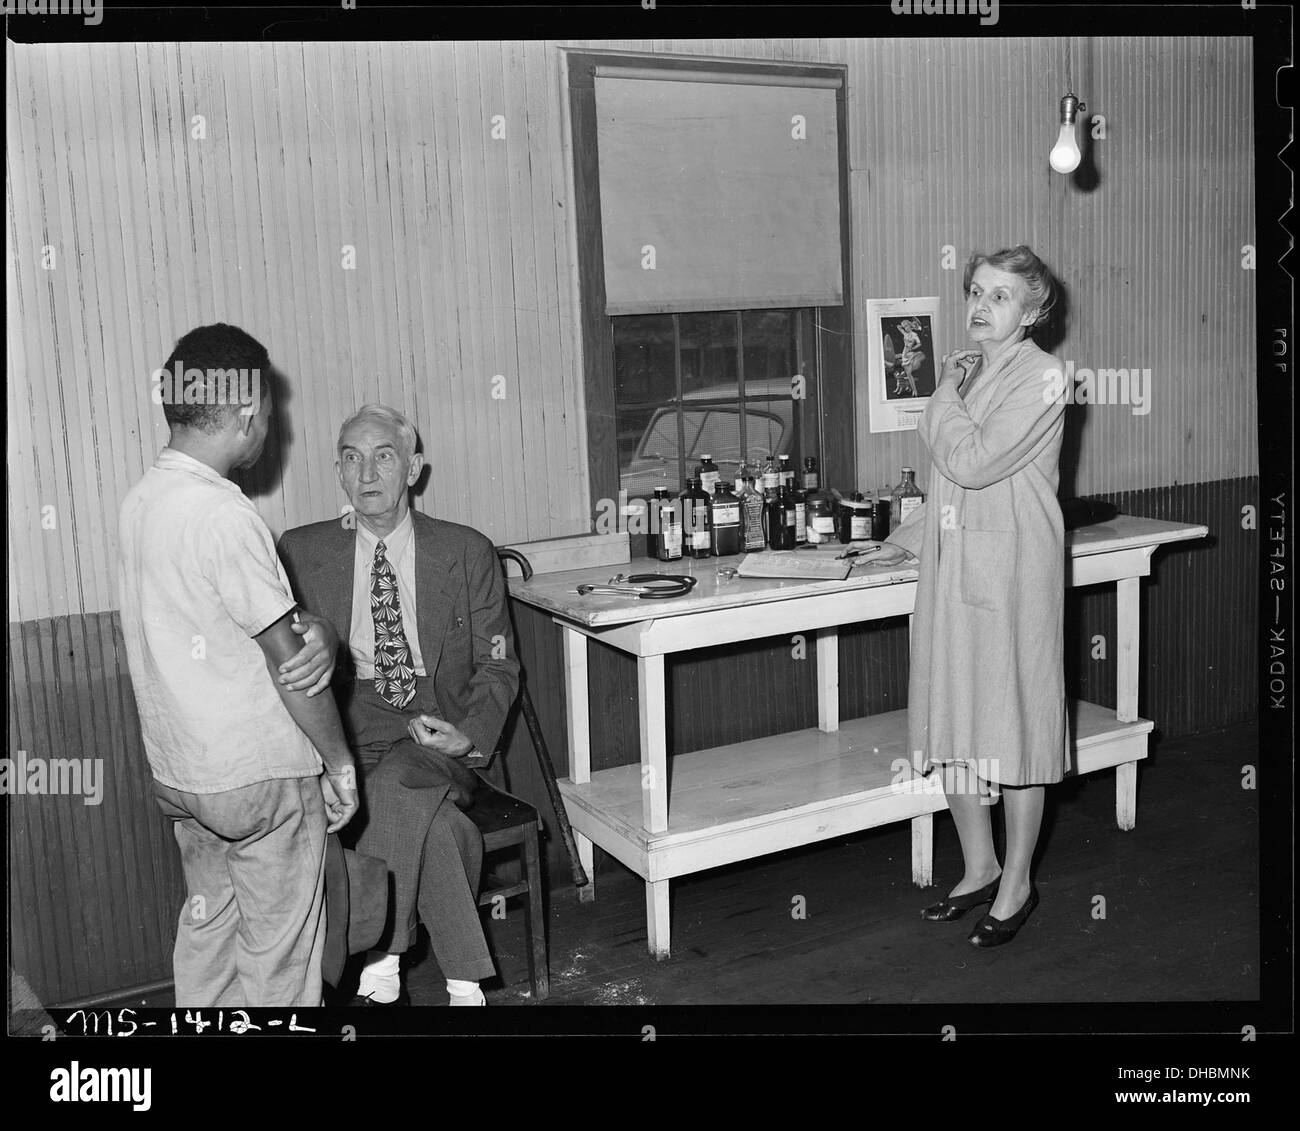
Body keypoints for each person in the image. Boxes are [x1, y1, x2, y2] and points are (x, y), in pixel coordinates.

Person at [118, 324, 359, 1007]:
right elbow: (296, 666)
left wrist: (326, 633)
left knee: (210, 934)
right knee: (278, 962)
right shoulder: (226, 515)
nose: (272, 429)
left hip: (182, 774)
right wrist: (338, 762)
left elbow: (235, 628)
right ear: (249, 408)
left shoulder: (142, 501)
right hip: (258, 780)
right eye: (271, 413)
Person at [278, 404, 520, 1006]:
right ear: (338, 471)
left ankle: (383, 951)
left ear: (413, 468)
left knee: (394, 787)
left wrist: (468, 737)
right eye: (352, 458)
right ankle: (466, 981)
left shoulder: (466, 550)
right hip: (346, 735)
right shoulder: (302, 551)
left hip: (434, 732)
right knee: (442, 829)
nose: (368, 473)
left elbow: (498, 663)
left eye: (384, 456)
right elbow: (283, 667)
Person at [861, 246, 1068, 947]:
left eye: (1001, 296)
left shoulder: (1044, 376)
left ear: (1033, 309)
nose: (982, 307)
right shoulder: (976, 367)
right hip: (953, 566)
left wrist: (940, 393)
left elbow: (976, 461)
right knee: (950, 712)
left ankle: (1018, 881)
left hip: (1012, 572)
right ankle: (978, 864)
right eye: (977, 292)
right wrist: (905, 536)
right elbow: (951, 483)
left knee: (1014, 727)